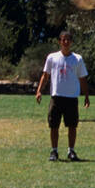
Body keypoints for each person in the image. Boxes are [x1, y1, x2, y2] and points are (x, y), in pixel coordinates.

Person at [35, 31, 89, 161]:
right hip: (56, 96)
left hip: (71, 98)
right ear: (59, 41)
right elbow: (45, 75)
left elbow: (82, 78)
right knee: (54, 125)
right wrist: (39, 90)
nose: (66, 42)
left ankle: (71, 151)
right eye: (63, 39)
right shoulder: (52, 57)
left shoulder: (78, 59)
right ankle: (54, 151)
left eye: (68, 40)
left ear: (71, 42)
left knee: (72, 126)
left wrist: (86, 95)